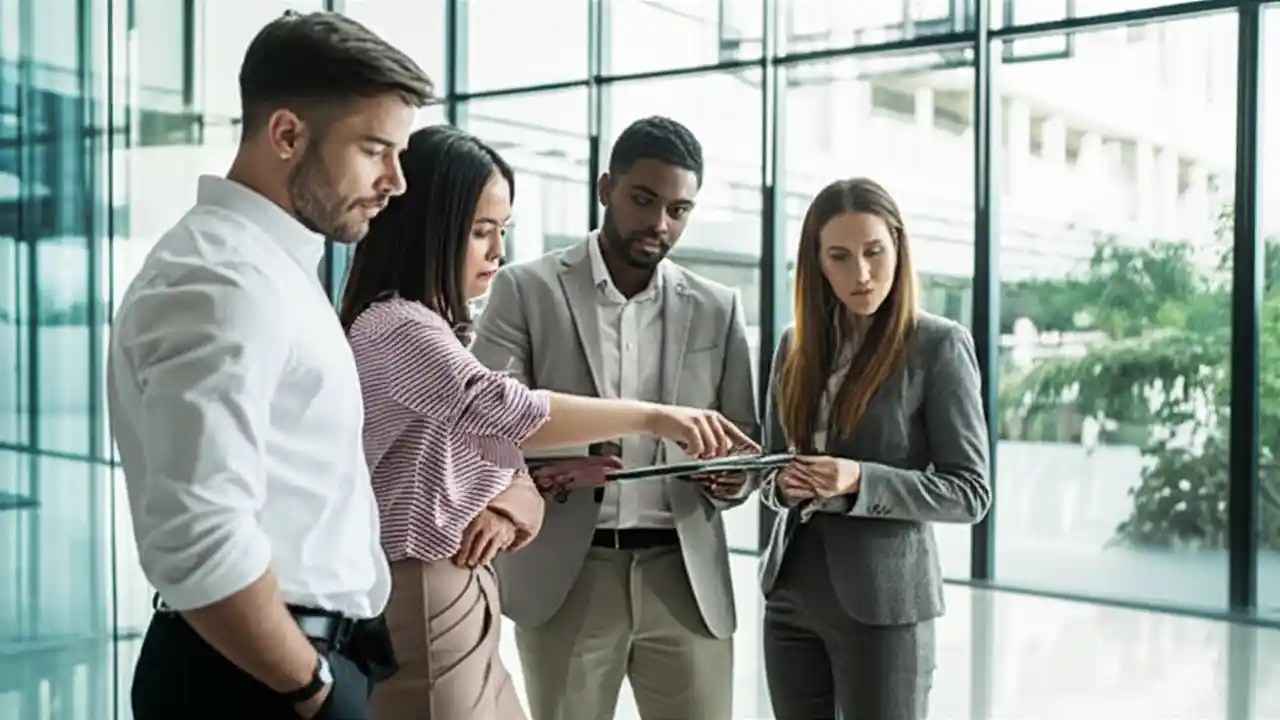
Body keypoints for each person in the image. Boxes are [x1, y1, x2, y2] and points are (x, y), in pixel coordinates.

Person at [337, 124, 758, 720]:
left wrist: (516, 492)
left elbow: (487, 446)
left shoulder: (425, 327)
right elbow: (503, 412)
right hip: (480, 581)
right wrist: (659, 418)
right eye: (482, 231)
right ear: (606, 188)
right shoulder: (409, 326)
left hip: (499, 581)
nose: (497, 250)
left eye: (501, 231)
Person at [106, 11, 432, 719]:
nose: (397, 181)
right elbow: (200, 533)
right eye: (377, 150)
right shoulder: (222, 280)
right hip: (255, 682)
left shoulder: (269, 268)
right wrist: (314, 689)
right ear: (286, 134)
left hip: (279, 670)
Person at [470, 116, 760, 720]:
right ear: (607, 188)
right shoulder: (524, 290)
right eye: (644, 199)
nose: (659, 224)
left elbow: (745, 446)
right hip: (568, 575)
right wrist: (550, 467)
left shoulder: (717, 308)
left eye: (679, 210)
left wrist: (735, 479)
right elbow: (485, 424)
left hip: (684, 579)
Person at [758, 177, 992, 720]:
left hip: (885, 604)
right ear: (817, 263)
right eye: (839, 257)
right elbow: (773, 468)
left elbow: (969, 492)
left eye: (874, 252)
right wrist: (780, 483)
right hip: (791, 592)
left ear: (898, 247)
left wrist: (859, 479)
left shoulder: (937, 345)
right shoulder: (794, 346)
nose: (860, 274)